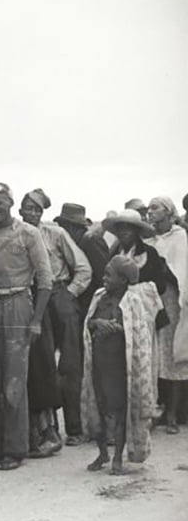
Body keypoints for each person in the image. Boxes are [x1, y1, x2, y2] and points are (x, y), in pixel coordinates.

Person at [0, 183, 53, 470]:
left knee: (14, 382)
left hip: (19, 305)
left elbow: (45, 280)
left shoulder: (28, 234)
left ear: (9, 203)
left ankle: (15, 448)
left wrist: (35, 321)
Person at [20, 188, 92, 450]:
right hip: (31, 295)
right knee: (42, 364)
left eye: (38, 209)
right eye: (29, 207)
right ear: (20, 209)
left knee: (70, 365)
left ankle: (75, 428)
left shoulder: (55, 233)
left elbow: (83, 268)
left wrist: (68, 295)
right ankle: (49, 431)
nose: (33, 213)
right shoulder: (17, 233)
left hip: (58, 295)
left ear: (43, 212)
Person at [82, 256, 161, 474]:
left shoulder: (132, 302)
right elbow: (88, 322)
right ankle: (102, 453)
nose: (104, 278)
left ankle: (117, 456)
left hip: (119, 367)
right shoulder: (99, 297)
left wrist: (117, 329)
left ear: (124, 280)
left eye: (109, 275)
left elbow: (138, 334)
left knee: (119, 410)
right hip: (99, 363)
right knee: (98, 406)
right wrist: (96, 323)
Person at [145, 197, 188, 434]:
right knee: (154, 354)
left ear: (168, 212)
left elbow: (182, 273)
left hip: (172, 299)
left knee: (172, 355)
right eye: (149, 208)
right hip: (152, 299)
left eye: (155, 208)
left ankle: (172, 414)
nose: (150, 212)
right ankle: (156, 410)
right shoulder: (148, 237)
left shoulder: (179, 237)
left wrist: (164, 269)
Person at [54, 203, 111, 315]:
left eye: (62, 225)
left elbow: (103, 276)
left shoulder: (91, 241)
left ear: (69, 226)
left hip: (90, 302)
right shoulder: (74, 242)